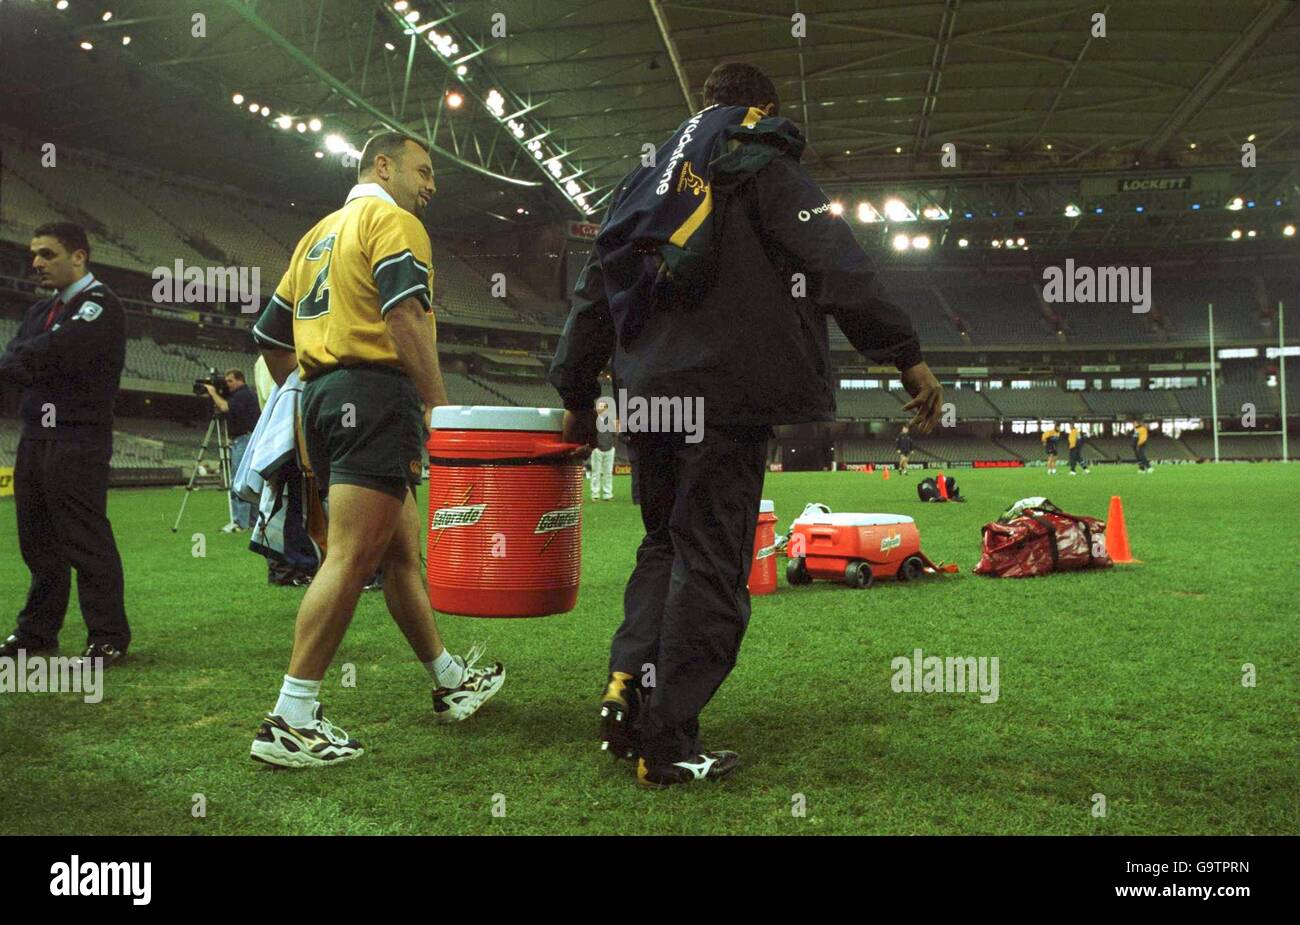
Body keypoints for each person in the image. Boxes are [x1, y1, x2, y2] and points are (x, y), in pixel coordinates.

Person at [549, 62, 942, 788]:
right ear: (761, 106)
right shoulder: (758, 159)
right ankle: (667, 740)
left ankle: (628, 687)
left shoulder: (644, 179)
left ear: (706, 103)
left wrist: (576, 389)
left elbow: (594, 288)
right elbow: (836, 262)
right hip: (724, 393)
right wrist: (904, 355)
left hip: (648, 395)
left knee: (664, 543)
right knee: (711, 558)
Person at [249, 131, 504, 768]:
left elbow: (269, 336)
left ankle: (448, 679)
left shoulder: (316, 235)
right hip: (376, 395)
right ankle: (292, 716)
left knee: (399, 554)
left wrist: (314, 395)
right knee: (352, 556)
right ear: (382, 166)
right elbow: (405, 316)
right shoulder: (392, 221)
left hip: (324, 398)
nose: (432, 185)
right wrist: (439, 405)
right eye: (423, 170)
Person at [0, 222, 130, 666]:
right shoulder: (41, 312)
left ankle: (108, 637)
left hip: (78, 437)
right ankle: (36, 632)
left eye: (48, 254)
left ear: (79, 256)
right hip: (35, 436)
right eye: (34, 254)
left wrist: (31, 358)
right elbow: (18, 358)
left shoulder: (100, 306)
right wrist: (33, 357)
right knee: (37, 541)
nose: (36, 263)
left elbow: (55, 353)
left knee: (85, 539)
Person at [202, 368, 260, 532]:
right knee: (249, 481)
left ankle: (239, 522)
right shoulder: (245, 394)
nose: (227, 385)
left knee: (238, 480)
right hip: (248, 439)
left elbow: (225, 407)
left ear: (240, 380)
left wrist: (213, 392)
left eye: (230, 381)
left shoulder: (242, 394)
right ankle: (252, 522)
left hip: (243, 440)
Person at [590, 397, 617, 500]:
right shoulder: (593, 420)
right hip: (597, 449)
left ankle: (607, 494)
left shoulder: (610, 420)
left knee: (608, 473)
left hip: (609, 448)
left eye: (603, 406)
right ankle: (595, 494)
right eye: (599, 406)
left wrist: (613, 446)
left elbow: (615, 434)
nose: (601, 408)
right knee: (596, 472)